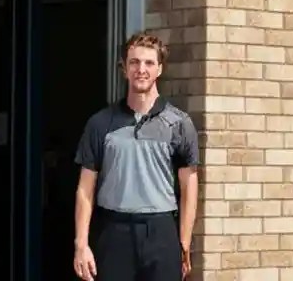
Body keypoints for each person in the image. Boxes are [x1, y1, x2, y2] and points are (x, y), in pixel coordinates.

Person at [72, 32, 199, 281]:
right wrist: (81, 244)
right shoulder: (100, 123)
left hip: (162, 232)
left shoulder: (180, 123)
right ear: (124, 68)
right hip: (113, 233)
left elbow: (189, 186)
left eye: (149, 63)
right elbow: (85, 188)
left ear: (160, 69)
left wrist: (183, 241)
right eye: (134, 62)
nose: (141, 69)